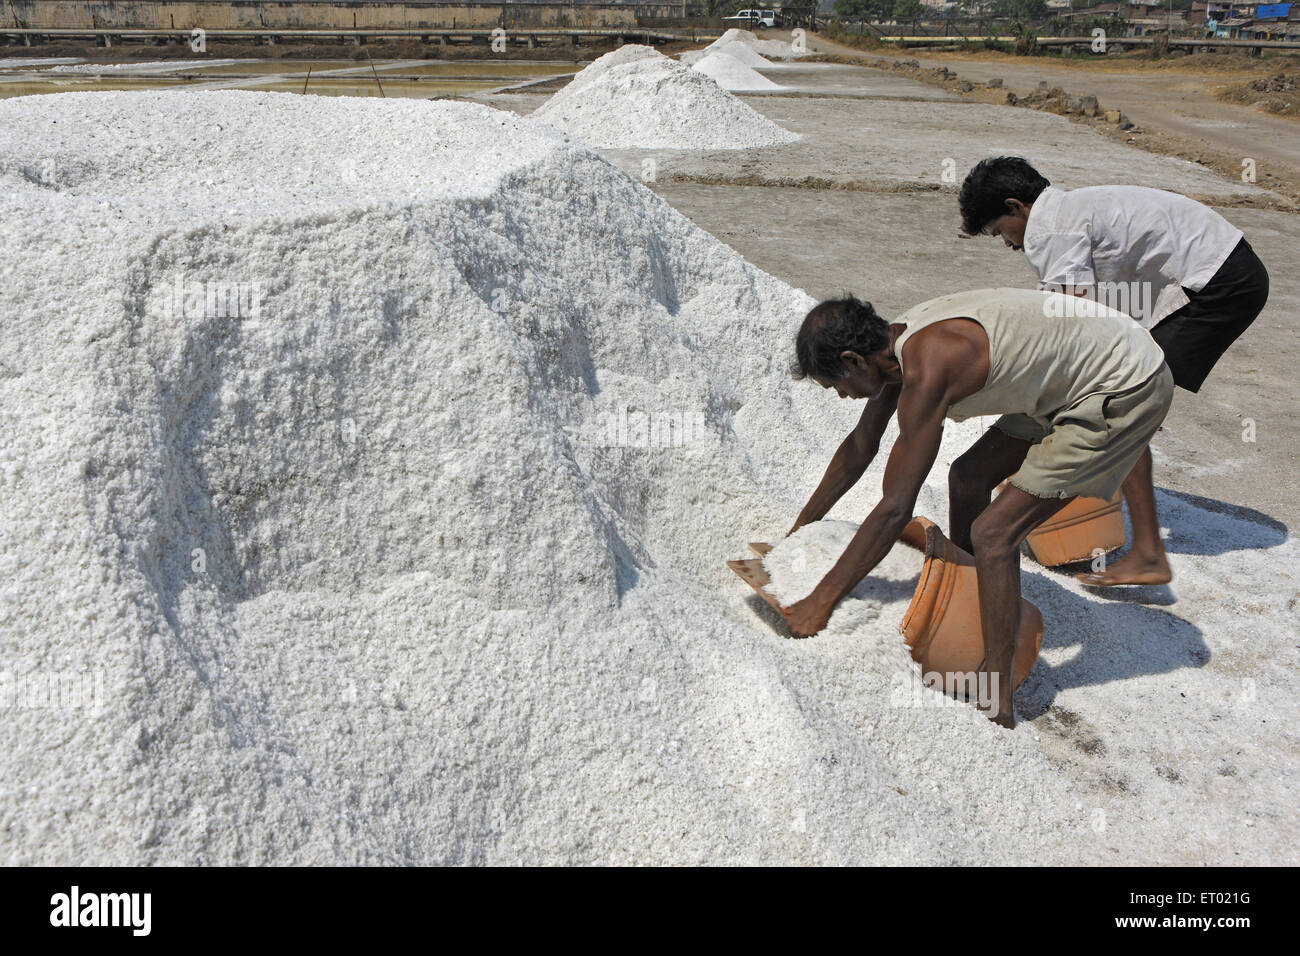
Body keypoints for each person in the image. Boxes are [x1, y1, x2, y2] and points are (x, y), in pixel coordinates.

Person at [786, 288, 1174, 727]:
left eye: (836, 383)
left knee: (994, 534)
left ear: (854, 360)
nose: (841, 394)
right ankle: (977, 600)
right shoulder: (897, 347)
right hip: (1073, 376)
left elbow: (895, 508)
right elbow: (861, 446)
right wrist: (800, 530)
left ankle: (997, 688)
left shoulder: (932, 365)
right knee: (967, 479)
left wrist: (821, 601)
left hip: (1124, 385)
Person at [957, 156, 1269, 586]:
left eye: (999, 233)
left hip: (1218, 284)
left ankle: (1147, 554)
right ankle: (1144, 543)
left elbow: (1066, 325)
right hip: (1223, 270)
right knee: (1115, 389)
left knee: (1122, 399)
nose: (1009, 244)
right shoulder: (1067, 211)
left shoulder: (1053, 230)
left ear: (1015, 207)